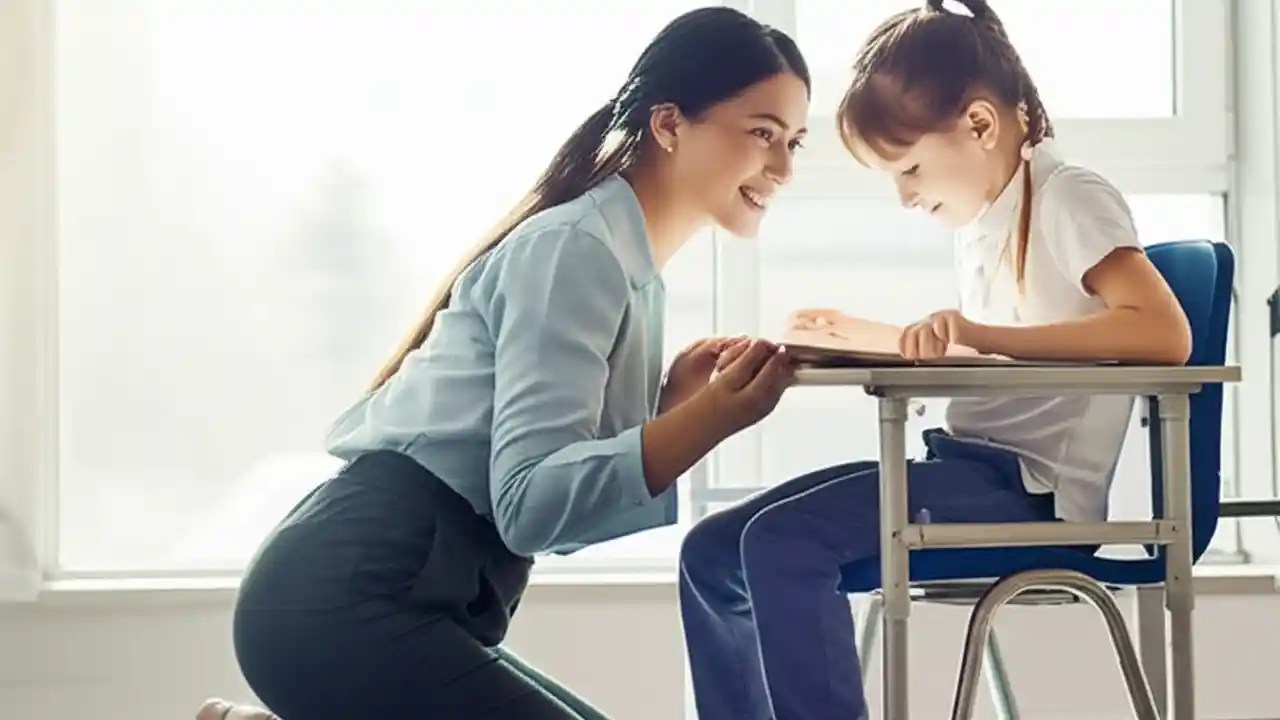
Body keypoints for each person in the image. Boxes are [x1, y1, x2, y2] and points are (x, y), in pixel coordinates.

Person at [224, 7, 810, 720]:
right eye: (762, 133)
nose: (783, 167)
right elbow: (531, 506)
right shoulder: (579, 249)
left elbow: (555, 514)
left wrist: (672, 414)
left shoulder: (627, 264)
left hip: (405, 593)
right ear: (669, 124)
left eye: (795, 142)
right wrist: (710, 421)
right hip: (348, 595)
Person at [676, 1, 1193, 718]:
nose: (906, 195)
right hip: (962, 466)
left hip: (1025, 493)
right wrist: (869, 336)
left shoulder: (1071, 196)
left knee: (781, 546)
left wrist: (983, 334)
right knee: (710, 551)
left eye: (911, 167)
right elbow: (997, 353)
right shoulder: (990, 218)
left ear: (980, 125)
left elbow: (1163, 334)